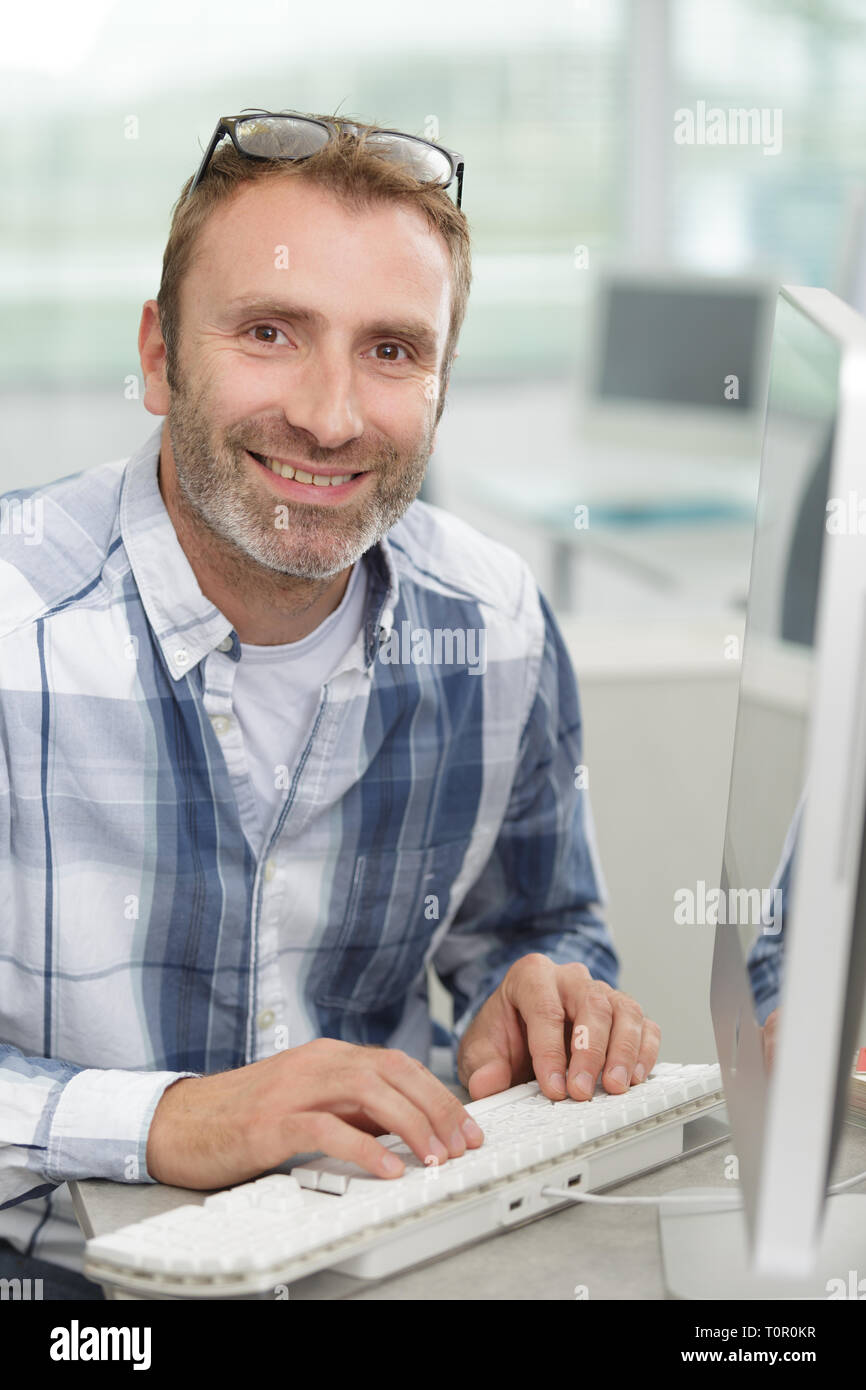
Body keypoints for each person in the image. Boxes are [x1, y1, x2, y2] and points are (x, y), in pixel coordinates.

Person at [0, 110, 659, 1298]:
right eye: (269, 331)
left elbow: (544, 925)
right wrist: (168, 1122)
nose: (330, 415)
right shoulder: (14, 622)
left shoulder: (495, 623)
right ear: (157, 356)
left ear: (441, 390)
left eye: (392, 352)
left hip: (386, 1247)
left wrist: (539, 997)